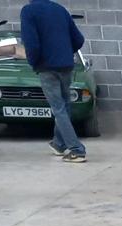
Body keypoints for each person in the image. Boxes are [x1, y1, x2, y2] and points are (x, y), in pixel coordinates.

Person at [20, 0, 88, 163]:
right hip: (66, 65)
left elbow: (31, 42)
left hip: (47, 67)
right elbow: (78, 39)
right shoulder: (60, 9)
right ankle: (59, 143)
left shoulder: (29, 11)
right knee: (64, 105)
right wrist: (63, 53)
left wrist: (34, 62)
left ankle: (76, 149)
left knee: (58, 108)